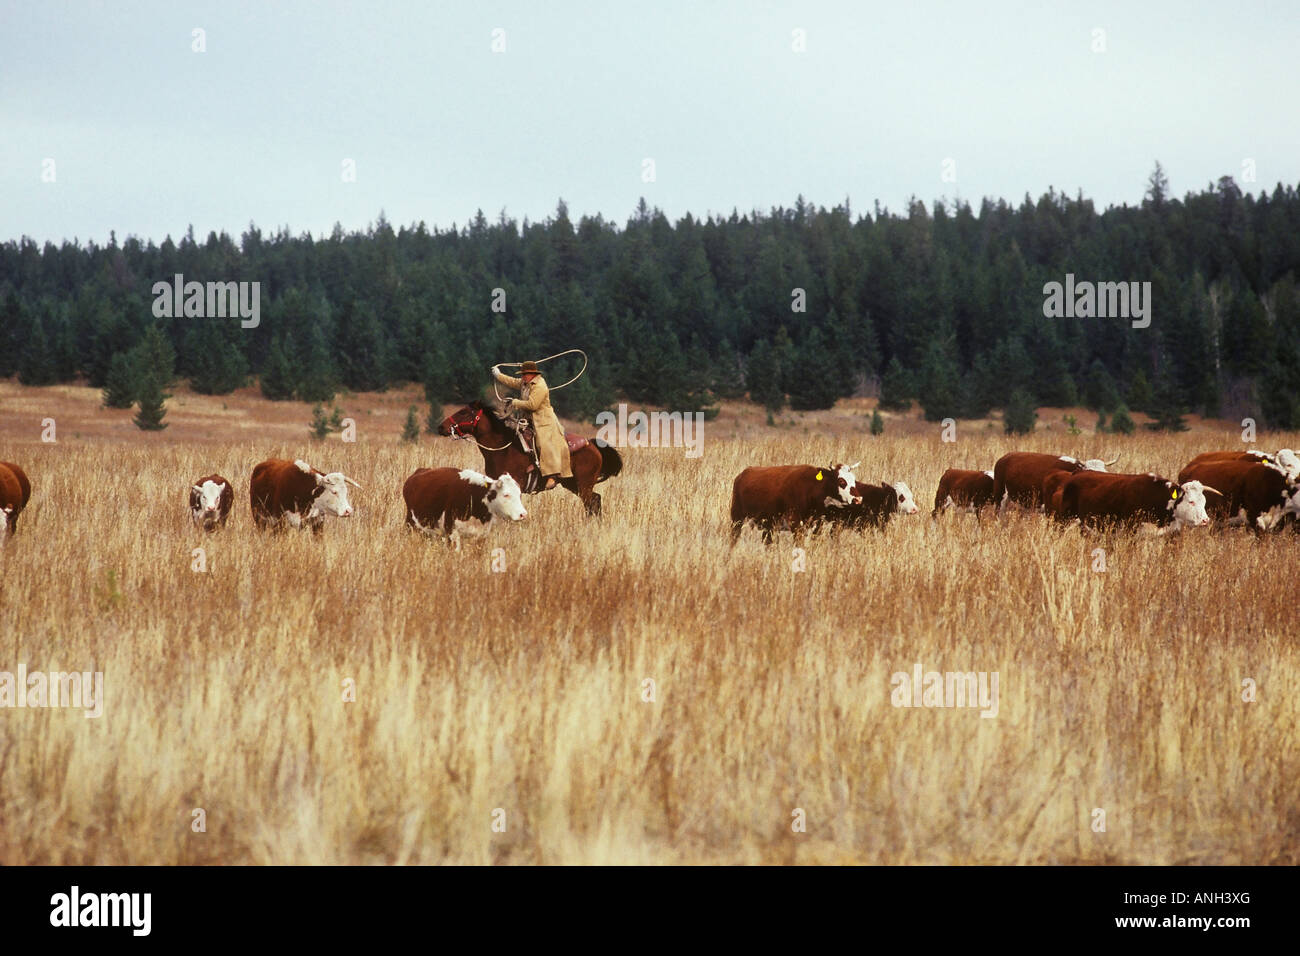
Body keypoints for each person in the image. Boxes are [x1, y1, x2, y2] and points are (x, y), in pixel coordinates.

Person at [491, 361, 572, 491]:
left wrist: (515, 402)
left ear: (532, 374)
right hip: (528, 419)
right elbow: (512, 381)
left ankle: (553, 475)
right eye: (522, 374)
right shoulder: (525, 383)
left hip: (544, 421)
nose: (523, 377)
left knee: (543, 443)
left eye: (525, 374)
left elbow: (533, 405)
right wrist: (498, 375)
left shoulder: (540, 386)